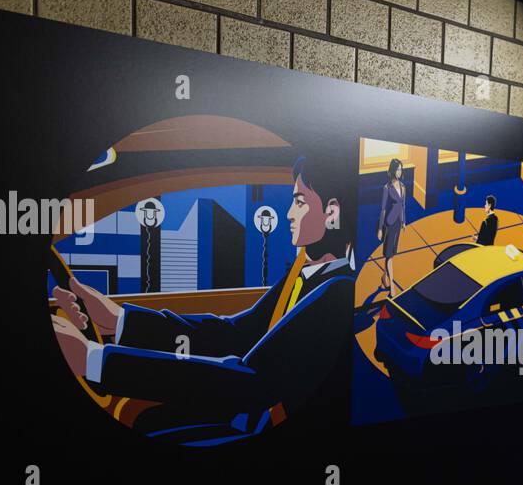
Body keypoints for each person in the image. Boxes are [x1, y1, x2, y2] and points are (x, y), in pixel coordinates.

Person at [49, 153, 355, 443]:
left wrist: (94, 360)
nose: (288, 213)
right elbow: (236, 333)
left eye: (299, 202)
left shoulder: (337, 293)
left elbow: (252, 381)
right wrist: (121, 322)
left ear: (331, 213)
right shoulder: (303, 274)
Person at [377, 158, 406, 291]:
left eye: (401, 169)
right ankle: (392, 286)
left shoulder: (403, 187)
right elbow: (383, 209)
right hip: (389, 224)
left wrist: (404, 221)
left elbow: (403, 205)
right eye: (397, 169)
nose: (399, 172)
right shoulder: (387, 188)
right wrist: (380, 229)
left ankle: (384, 277)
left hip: (398, 224)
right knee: (389, 255)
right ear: (393, 170)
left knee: (391, 253)